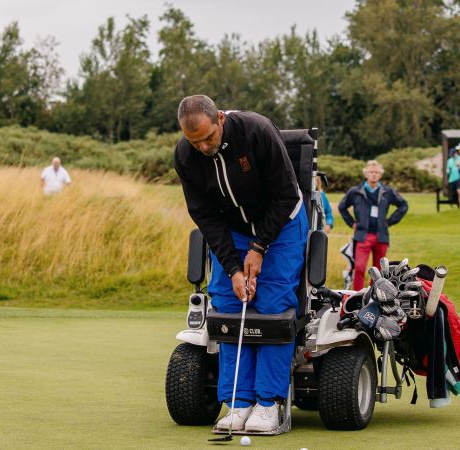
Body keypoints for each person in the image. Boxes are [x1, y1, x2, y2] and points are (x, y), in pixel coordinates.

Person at [174, 95, 306, 433]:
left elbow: (287, 196)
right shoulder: (186, 155)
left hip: (283, 224)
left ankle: (269, 404)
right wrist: (233, 267)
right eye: (195, 141)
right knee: (228, 307)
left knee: (272, 307)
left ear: (219, 118)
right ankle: (238, 402)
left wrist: (260, 247)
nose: (203, 146)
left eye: (208, 137)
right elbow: (205, 217)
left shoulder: (256, 131)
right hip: (232, 231)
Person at [338, 160, 409, 290]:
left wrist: (390, 221)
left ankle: (374, 297)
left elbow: (403, 205)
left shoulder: (388, 192)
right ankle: (357, 297)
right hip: (362, 235)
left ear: (380, 175)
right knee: (359, 267)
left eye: (376, 172)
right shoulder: (355, 191)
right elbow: (342, 206)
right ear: (366, 174)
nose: (374, 174)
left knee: (378, 271)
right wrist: (351, 223)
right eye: (371, 172)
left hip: (381, 235)